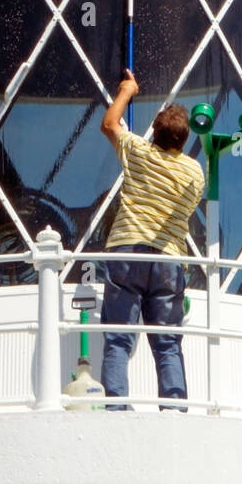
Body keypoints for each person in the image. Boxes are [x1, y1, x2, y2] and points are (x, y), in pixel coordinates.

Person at [98, 70, 205, 411]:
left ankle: (117, 406)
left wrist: (128, 91)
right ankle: (173, 408)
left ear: (156, 133)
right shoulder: (194, 172)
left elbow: (110, 124)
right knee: (168, 343)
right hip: (169, 259)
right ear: (185, 139)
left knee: (118, 339)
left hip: (127, 251)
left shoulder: (139, 152)